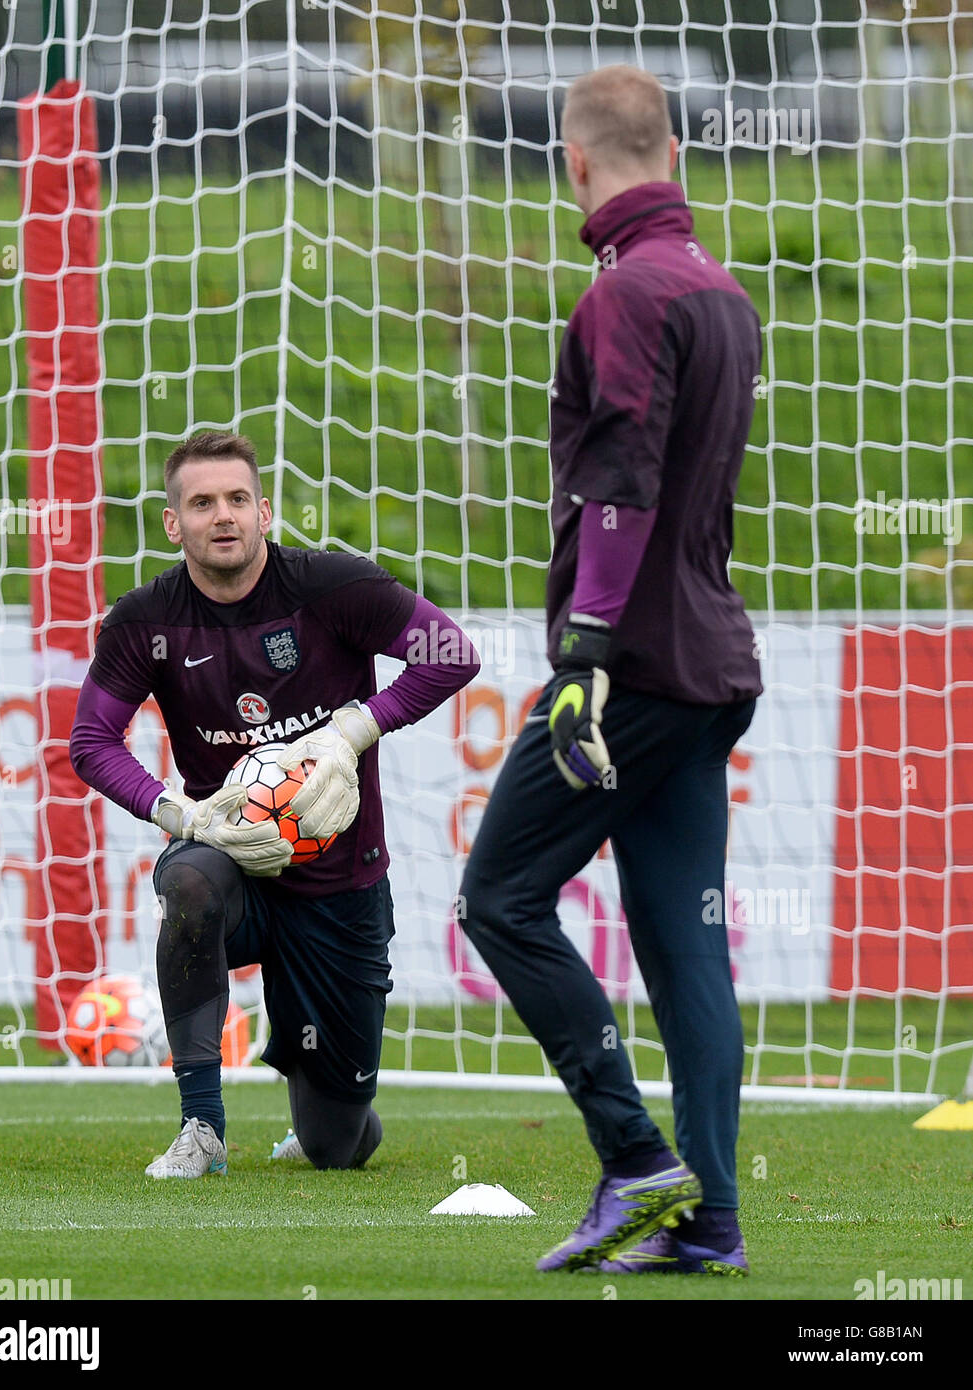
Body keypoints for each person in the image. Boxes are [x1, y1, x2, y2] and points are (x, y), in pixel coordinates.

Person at [458, 65, 763, 1276]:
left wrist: (579, 656)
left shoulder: (625, 296)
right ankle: (712, 1222)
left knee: (499, 897)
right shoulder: (722, 294)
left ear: (573, 164)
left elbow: (622, 478)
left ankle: (635, 1158)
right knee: (685, 945)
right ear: (672, 151)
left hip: (627, 669)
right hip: (712, 667)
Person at [70, 430, 479, 1177]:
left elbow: (451, 652)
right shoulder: (144, 620)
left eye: (235, 500)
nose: (220, 516)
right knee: (187, 883)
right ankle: (202, 1127)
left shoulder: (333, 587)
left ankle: (317, 1082)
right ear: (174, 524)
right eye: (200, 503)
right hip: (234, 871)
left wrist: (354, 729)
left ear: (263, 512)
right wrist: (182, 817)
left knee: (336, 1147)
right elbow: (91, 741)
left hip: (339, 890)